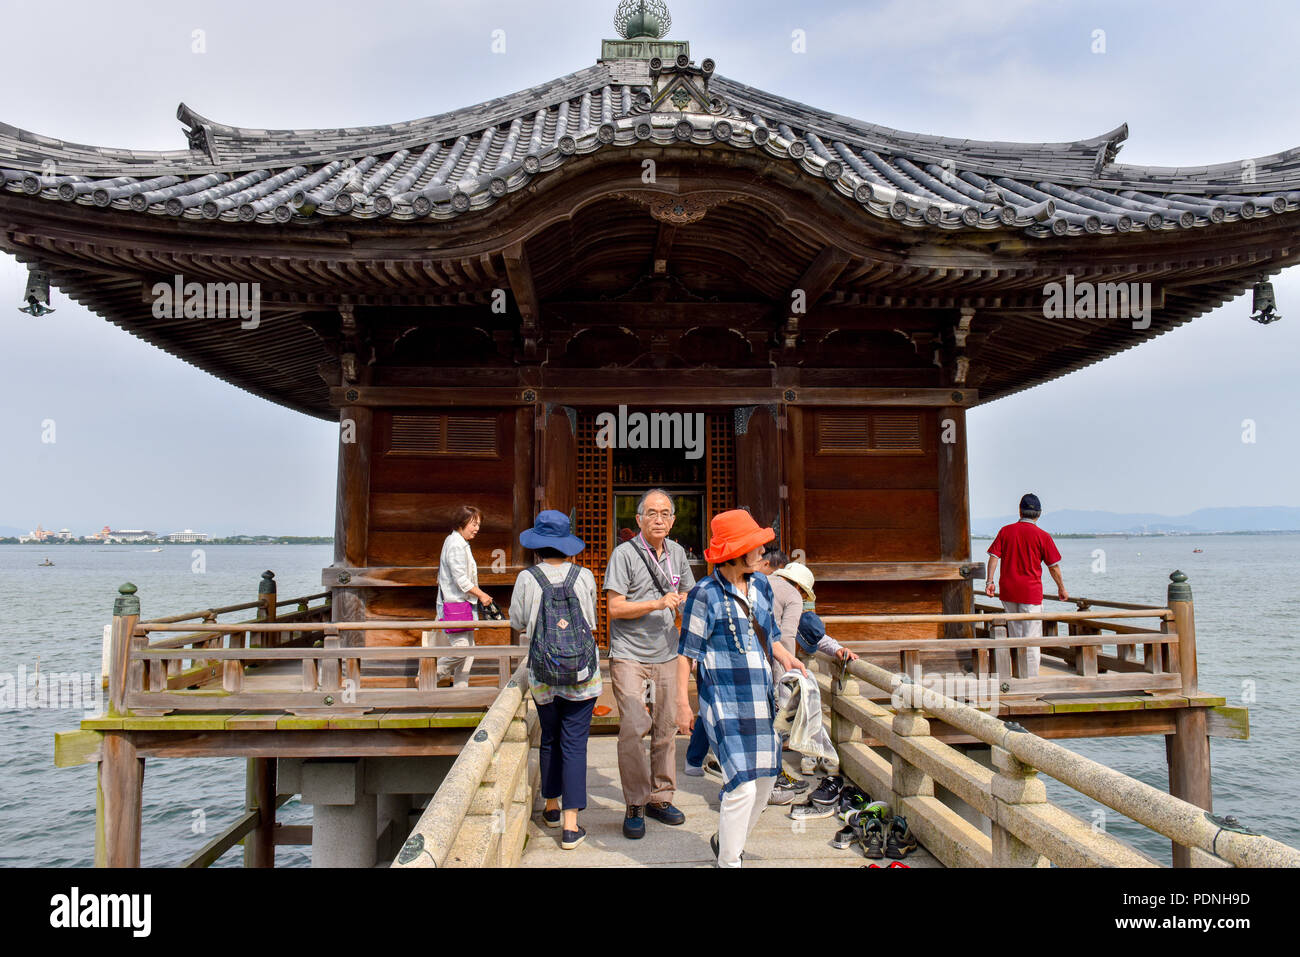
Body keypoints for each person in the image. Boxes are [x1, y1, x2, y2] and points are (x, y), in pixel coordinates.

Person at [675, 509, 809, 867]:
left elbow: (771, 637)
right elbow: (686, 655)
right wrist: (682, 705)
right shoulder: (704, 593)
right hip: (722, 700)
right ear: (736, 552)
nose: (763, 553)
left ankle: (726, 840)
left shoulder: (763, 585)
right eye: (756, 547)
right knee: (742, 785)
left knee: (765, 783)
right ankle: (730, 861)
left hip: (760, 697)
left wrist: (788, 660)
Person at [603, 488, 696, 839]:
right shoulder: (624, 554)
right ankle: (635, 803)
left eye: (665, 513)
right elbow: (615, 608)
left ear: (672, 520)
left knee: (665, 728)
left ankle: (660, 797)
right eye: (651, 513)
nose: (659, 519)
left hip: (667, 652)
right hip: (629, 653)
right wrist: (657, 604)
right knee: (632, 727)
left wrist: (685, 601)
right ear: (639, 519)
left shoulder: (677, 554)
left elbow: (689, 593)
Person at [509, 510, 599, 851]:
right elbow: (590, 619)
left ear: (538, 544)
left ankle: (550, 806)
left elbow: (518, 622)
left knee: (550, 737)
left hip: (543, 676)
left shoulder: (526, 578)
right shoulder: (585, 575)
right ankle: (571, 827)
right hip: (582, 676)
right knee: (574, 743)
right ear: (567, 545)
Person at [768, 561, 858, 781]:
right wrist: (785, 676)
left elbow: (811, 633)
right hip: (773, 664)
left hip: (746, 660)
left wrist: (836, 648)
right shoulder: (792, 596)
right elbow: (787, 638)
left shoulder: (760, 584)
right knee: (776, 717)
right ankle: (774, 777)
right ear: (800, 587)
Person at [985, 493, 1068, 677]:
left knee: (1014, 635)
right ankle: (1029, 679)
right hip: (1031, 593)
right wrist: (1061, 587)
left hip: (1008, 591)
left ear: (1020, 510)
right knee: (1031, 638)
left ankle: (1016, 674)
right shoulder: (1043, 536)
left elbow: (993, 557)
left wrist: (990, 581)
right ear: (1039, 514)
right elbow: (1053, 567)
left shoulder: (1006, 531)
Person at [436, 505, 495, 688]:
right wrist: (482, 594)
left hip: (463, 603)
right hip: (455, 603)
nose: (477, 528)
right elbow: (460, 579)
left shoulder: (460, 543)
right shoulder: (455, 544)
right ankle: (430, 674)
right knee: (462, 650)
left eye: (478, 524)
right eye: (474, 524)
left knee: (469, 650)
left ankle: (461, 689)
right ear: (462, 522)